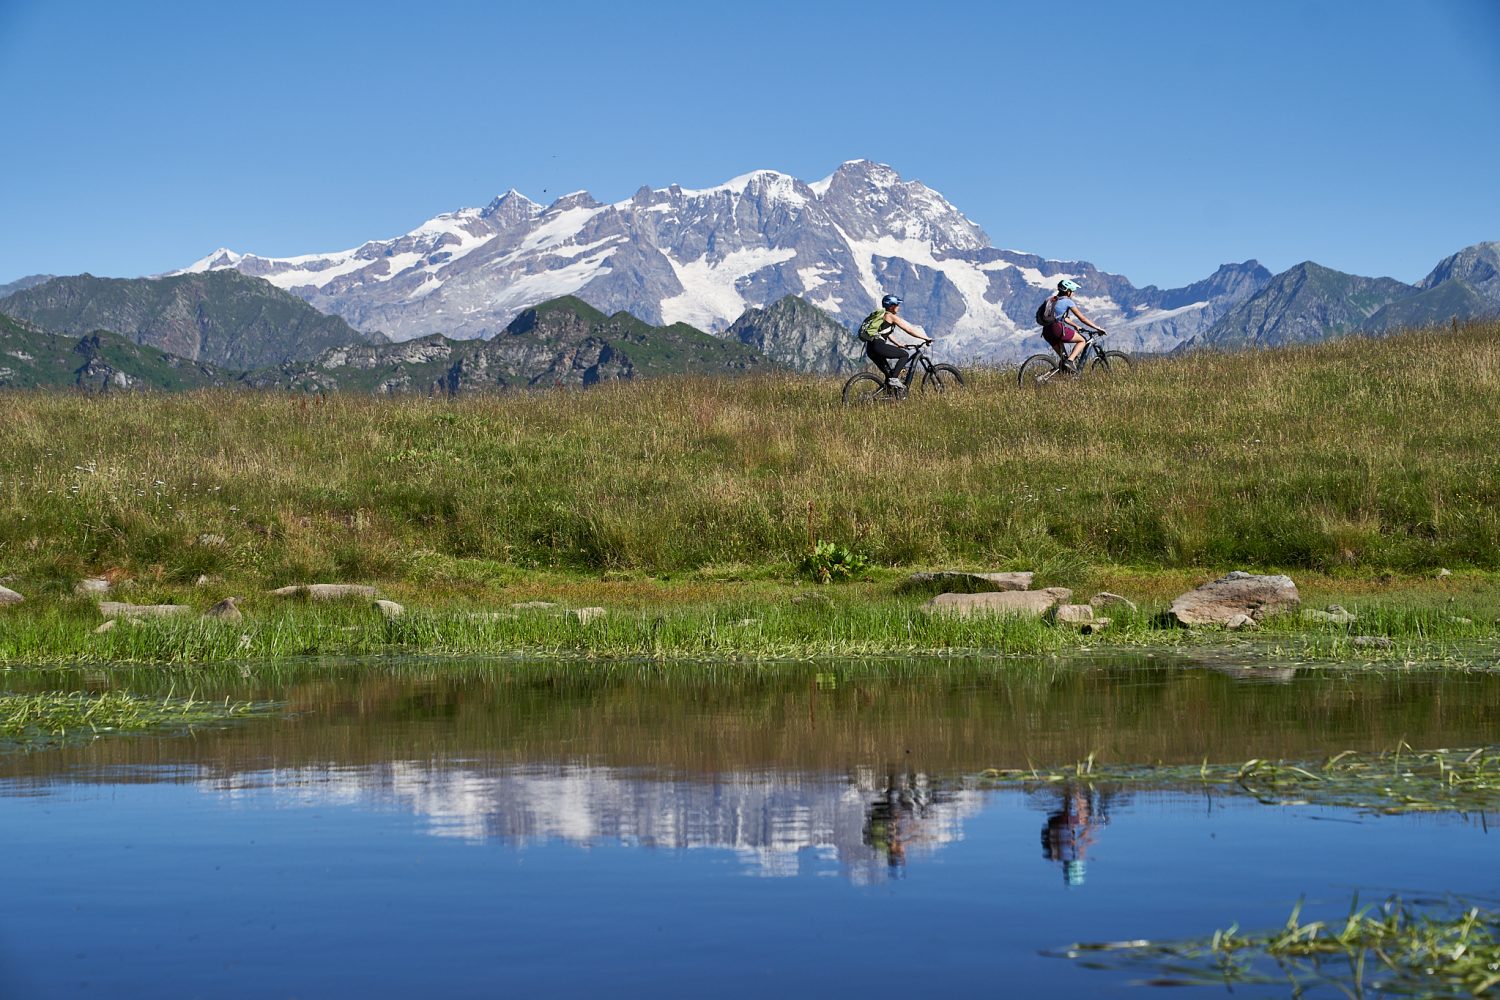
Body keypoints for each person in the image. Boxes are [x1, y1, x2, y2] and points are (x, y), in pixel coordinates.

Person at [857, 294, 932, 392]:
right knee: (904, 355)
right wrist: (925, 338)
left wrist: (898, 344)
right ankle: (895, 380)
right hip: (878, 346)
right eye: (897, 305)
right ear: (892, 306)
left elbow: (885, 333)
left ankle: (890, 394)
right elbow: (909, 329)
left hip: (870, 348)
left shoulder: (883, 317)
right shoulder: (891, 316)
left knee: (889, 374)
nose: (898, 307)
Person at [1041, 279, 1105, 372]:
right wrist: (1097, 328)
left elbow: (1062, 317)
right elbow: (1082, 318)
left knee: (1063, 360)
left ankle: (1063, 374)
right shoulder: (1068, 302)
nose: (1074, 293)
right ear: (1068, 292)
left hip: (1046, 331)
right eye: (1073, 291)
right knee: (1082, 340)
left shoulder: (1051, 300)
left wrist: (1075, 326)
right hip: (1057, 329)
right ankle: (1070, 361)